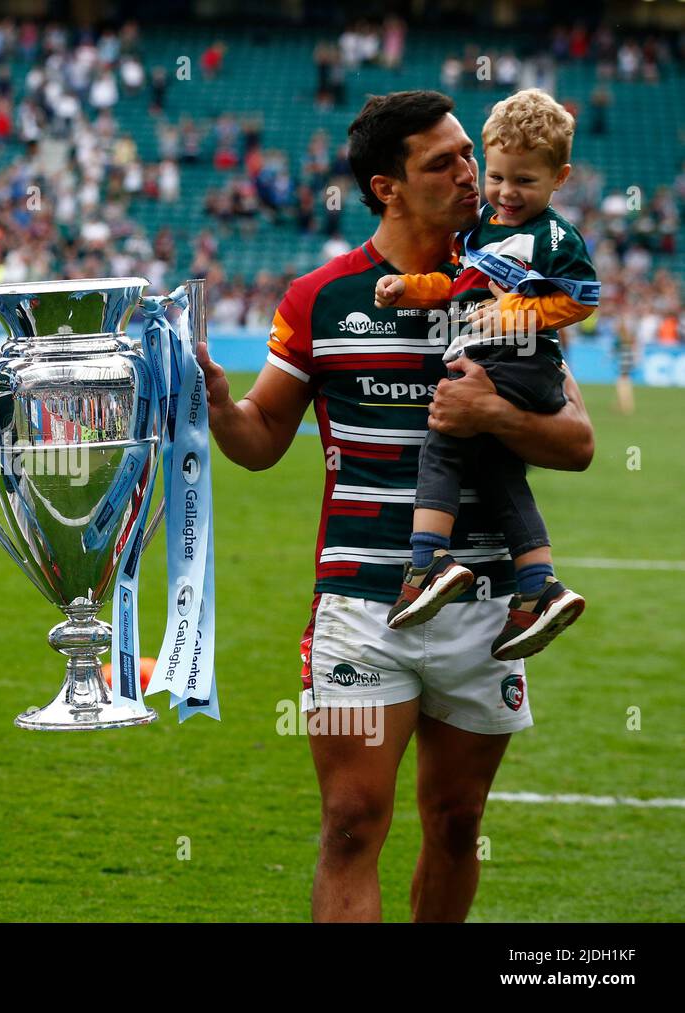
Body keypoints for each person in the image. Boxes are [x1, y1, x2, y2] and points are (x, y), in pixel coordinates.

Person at [196, 90, 593, 922]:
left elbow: (577, 442)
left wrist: (494, 414)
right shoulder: (321, 298)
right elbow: (263, 436)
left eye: (467, 154)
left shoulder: (503, 279)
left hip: (487, 607)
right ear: (387, 186)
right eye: (442, 161)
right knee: (349, 825)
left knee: (456, 824)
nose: (469, 172)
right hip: (362, 604)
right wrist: (217, 405)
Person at [375, 88, 596, 660]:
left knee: (442, 443)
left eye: (524, 180)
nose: (506, 192)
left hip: (521, 360)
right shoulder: (479, 230)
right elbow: (455, 286)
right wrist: (409, 289)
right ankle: (539, 587)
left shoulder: (554, 236)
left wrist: (516, 310)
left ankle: (426, 563)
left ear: (559, 178)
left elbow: (582, 298)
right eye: (497, 176)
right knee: (500, 472)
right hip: (507, 360)